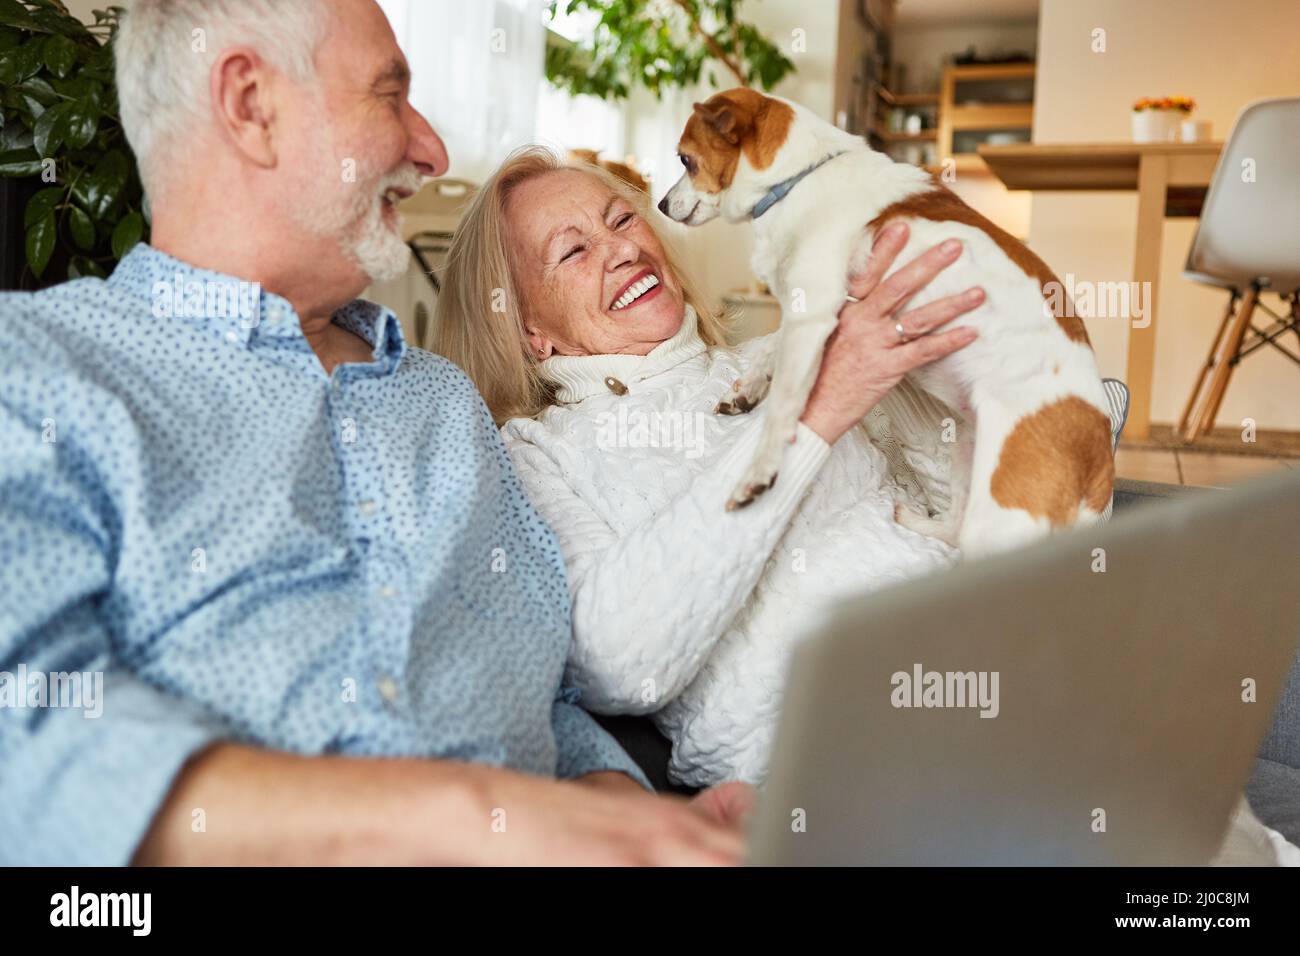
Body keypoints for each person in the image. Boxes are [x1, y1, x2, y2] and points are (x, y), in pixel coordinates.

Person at [0, 0, 752, 866]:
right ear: (250, 104)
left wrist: (641, 822)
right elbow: (29, 734)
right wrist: (470, 818)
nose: (431, 149)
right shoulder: (44, 374)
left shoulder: (441, 402)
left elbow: (546, 701)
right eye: (390, 95)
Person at [432, 147, 983, 786]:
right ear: (530, 330)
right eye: (573, 250)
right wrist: (809, 422)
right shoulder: (536, 454)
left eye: (622, 220)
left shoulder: (779, 359)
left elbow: (972, 506)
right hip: (841, 762)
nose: (623, 249)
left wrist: (908, 348)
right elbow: (614, 661)